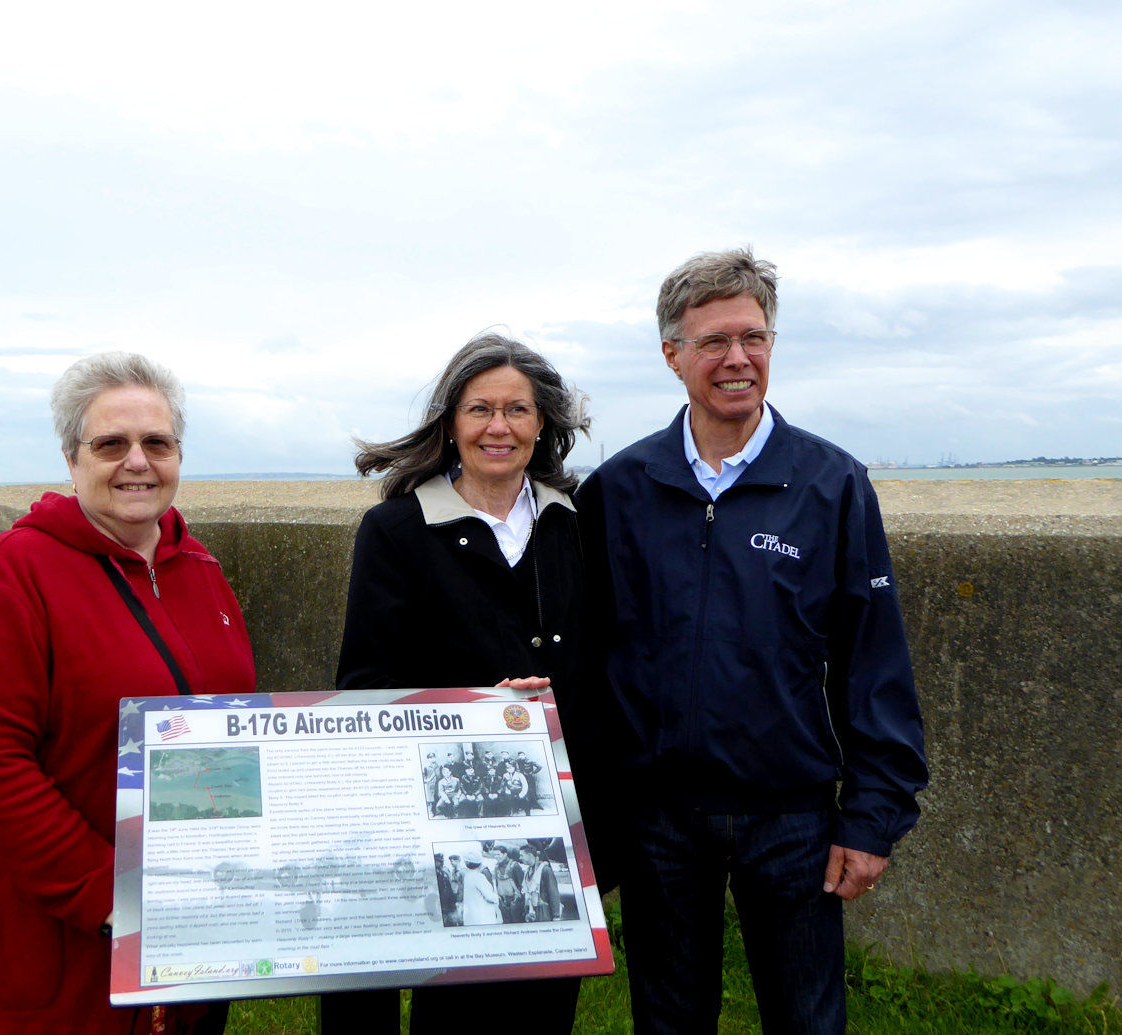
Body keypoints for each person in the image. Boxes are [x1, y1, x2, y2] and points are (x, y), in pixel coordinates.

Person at [576, 249, 929, 1034]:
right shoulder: (618, 492)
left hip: (792, 814)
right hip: (660, 817)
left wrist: (872, 816)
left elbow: (874, 662)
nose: (738, 359)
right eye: (713, 341)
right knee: (669, 1020)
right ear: (673, 354)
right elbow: (590, 660)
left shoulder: (833, 484)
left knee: (806, 1020)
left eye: (754, 337)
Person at [0, 352, 257, 1035]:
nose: (137, 461)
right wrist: (113, 891)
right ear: (72, 458)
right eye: (111, 444)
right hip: (69, 945)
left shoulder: (200, 570)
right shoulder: (13, 574)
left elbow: (236, 733)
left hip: (193, 935)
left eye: (157, 443)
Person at [321, 332, 590, 1035]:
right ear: (451, 423)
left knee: (543, 1014)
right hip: (440, 825)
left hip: (549, 831)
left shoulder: (578, 525)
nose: (498, 427)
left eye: (517, 410)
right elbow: (365, 684)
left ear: (543, 424)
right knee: (456, 1014)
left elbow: (604, 660)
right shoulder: (395, 531)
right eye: (479, 409)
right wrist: (476, 712)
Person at [519, 844, 562, 923]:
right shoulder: (528, 872)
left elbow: (553, 893)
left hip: (543, 912)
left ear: (529, 855)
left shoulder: (545, 870)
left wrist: (556, 916)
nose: (520, 858)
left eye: (522, 855)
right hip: (531, 912)